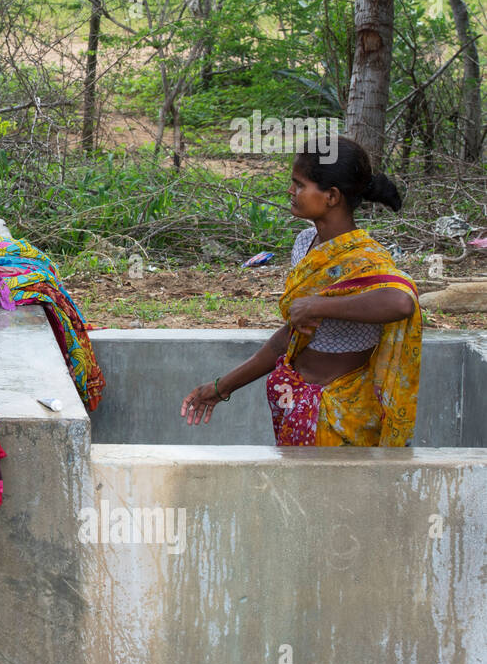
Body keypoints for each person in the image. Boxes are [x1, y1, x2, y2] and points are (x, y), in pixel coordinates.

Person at [180, 136, 422, 446]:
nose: (290, 191)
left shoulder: (365, 258)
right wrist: (221, 386)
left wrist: (320, 306)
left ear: (331, 196)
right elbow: (290, 336)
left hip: (340, 412)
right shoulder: (305, 244)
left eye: (299, 184)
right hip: (294, 399)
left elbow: (401, 302)